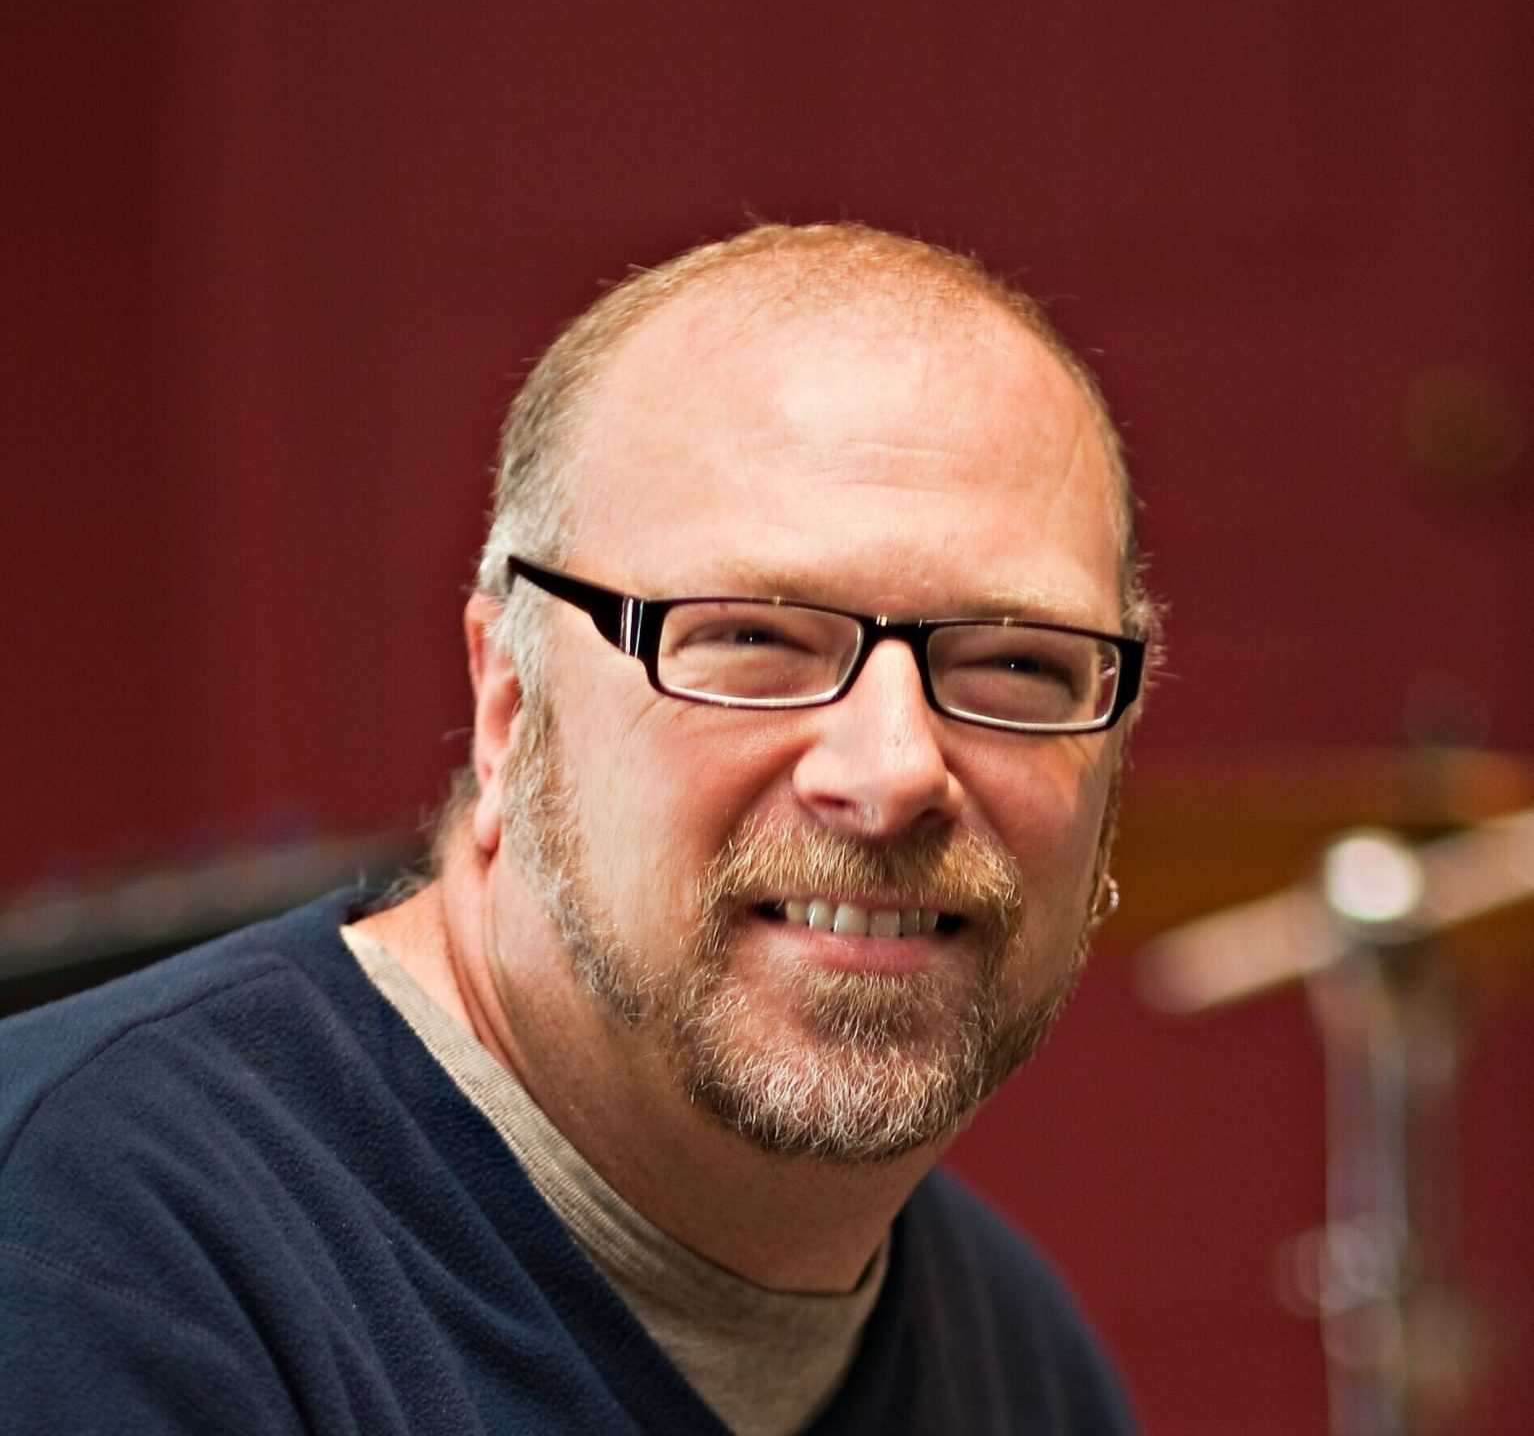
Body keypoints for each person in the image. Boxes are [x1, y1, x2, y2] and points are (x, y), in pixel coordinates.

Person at [0, 222, 1156, 1434]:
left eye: (1017, 664)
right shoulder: (84, 1255)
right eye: (751, 638)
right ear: (509, 702)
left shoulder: (1019, 1362)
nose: (893, 772)